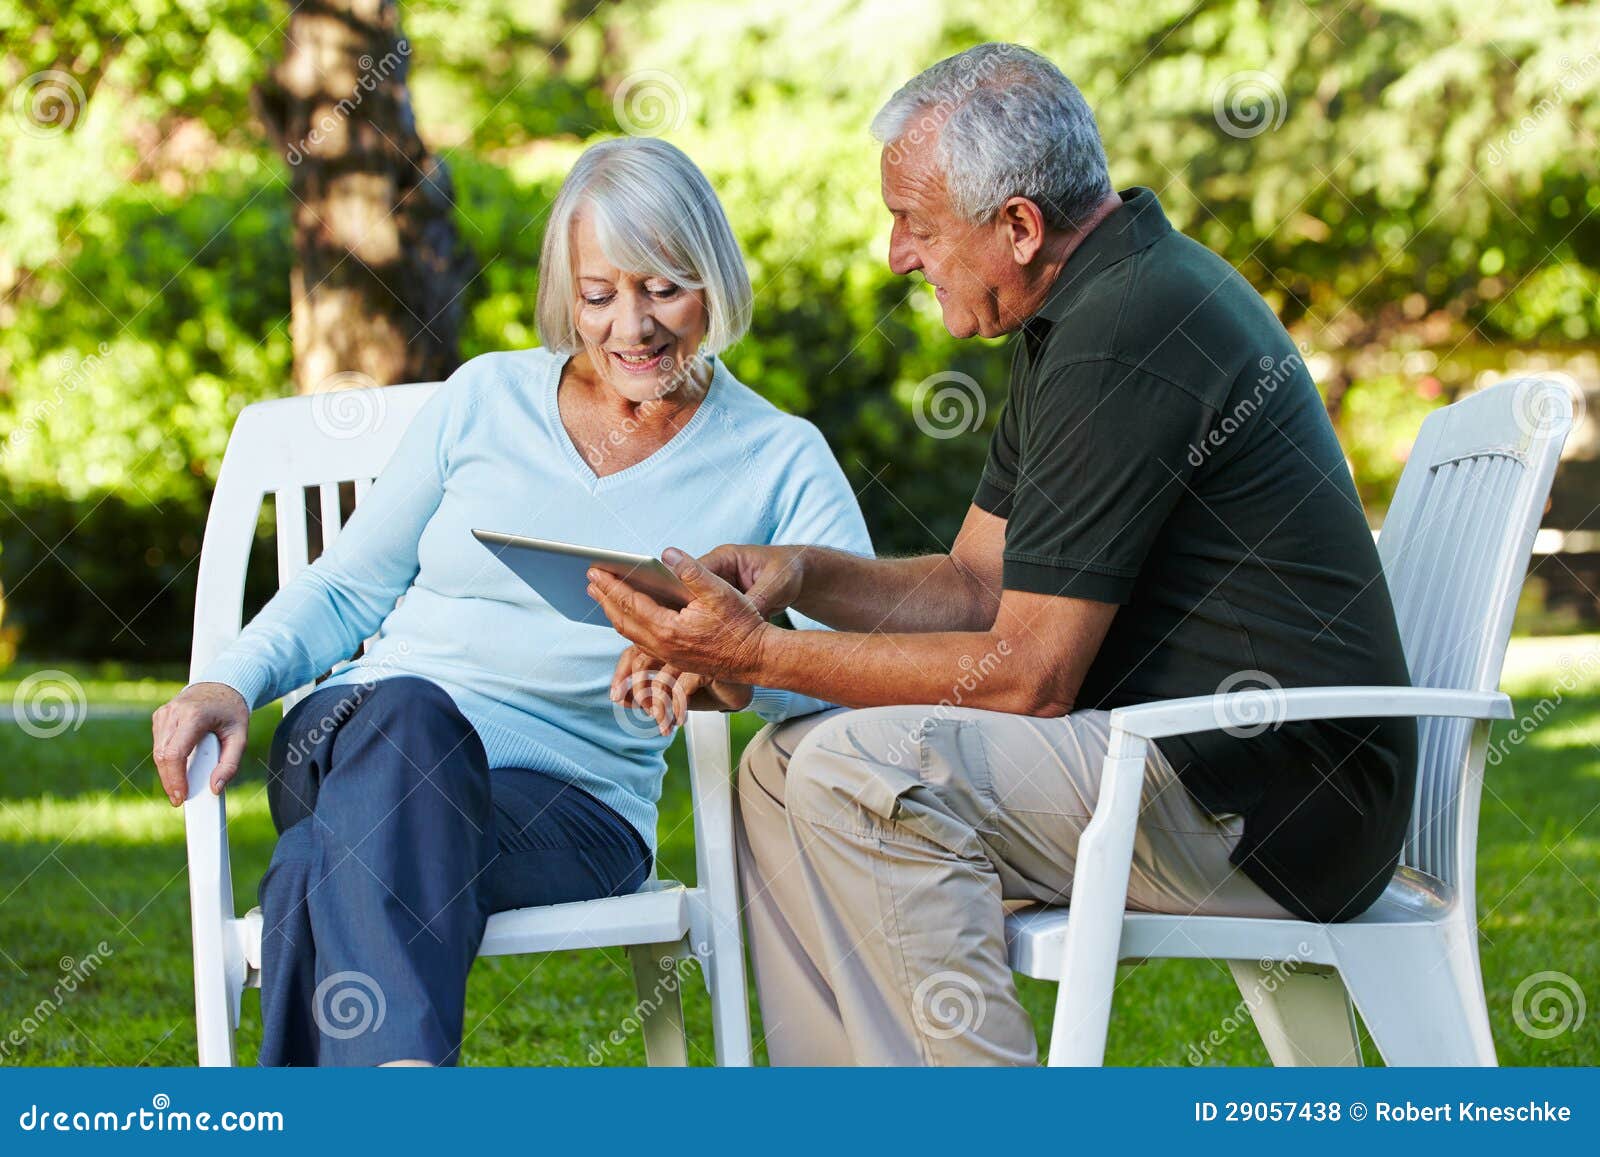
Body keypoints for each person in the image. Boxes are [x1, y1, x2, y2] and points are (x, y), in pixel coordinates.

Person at [589, 44, 1418, 1065]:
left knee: (857, 769)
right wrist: (798, 573)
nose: (896, 253)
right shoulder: (1084, 310)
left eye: (917, 222)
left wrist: (756, 654)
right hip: (1189, 763)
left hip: (1268, 801)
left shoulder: (1130, 325)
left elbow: (1029, 673)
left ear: (1019, 226)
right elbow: (975, 584)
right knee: (775, 769)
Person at [150, 137, 872, 1066]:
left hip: (569, 808)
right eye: (599, 294)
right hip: (358, 734)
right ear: (566, 291)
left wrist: (729, 666)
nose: (631, 327)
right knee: (410, 718)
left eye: (663, 289)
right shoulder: (484, 397)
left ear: (714, 280)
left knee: (317, 865)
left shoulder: (779, 456)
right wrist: (230, 681)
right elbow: (347, 585)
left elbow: (847, 668)